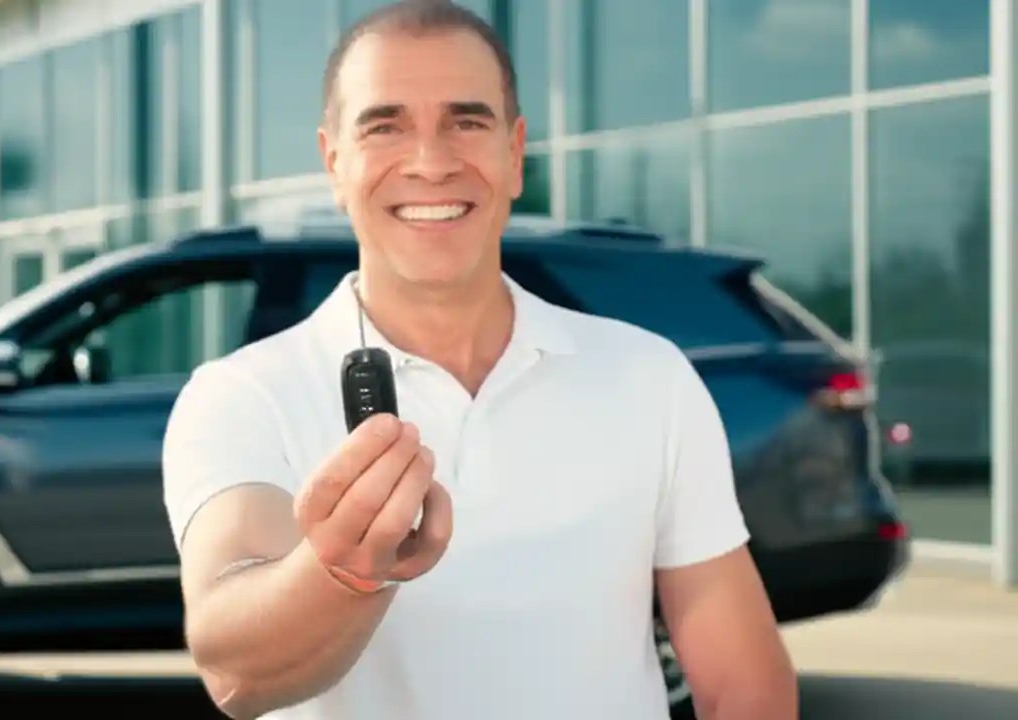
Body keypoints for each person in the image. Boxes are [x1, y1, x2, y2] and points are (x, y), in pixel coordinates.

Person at [161, 1, 798, 718]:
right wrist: (346, 571)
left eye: (466, 122)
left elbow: (745, 688)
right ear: (334, 163)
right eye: (385, 126)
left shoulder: (651, 378)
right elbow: (236, 675)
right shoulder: (242, 396)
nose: (431, 163)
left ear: (514, 154)